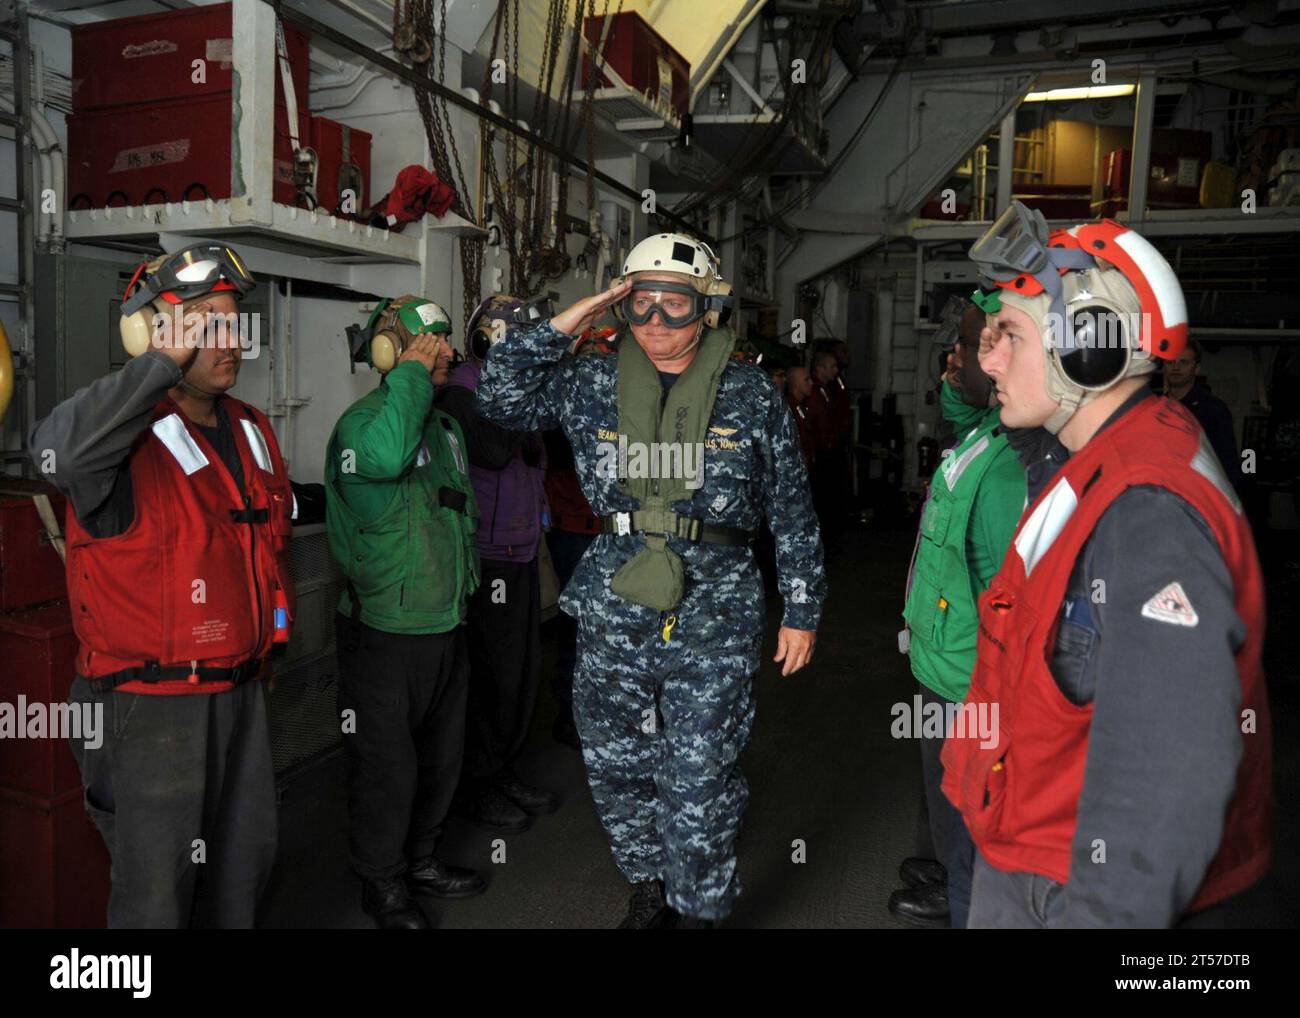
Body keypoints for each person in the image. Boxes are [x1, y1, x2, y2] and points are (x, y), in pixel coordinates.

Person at [476, 232, 825, 928]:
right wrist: (572, 317)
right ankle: (651, 884)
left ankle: (698, 909)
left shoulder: (752, 392)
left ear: (708, 309)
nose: (657, 323)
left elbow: (791, 507)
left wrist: (803, 609)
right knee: (616, 761)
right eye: (641, 305)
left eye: (676, 305)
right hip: (615, 596)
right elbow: (500, 399)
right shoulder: (590, 379)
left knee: (697, 771)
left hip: (716, 603)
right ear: (621, 306)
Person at [942, 202, 1273, 928]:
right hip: (1031, 848)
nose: (988, 357)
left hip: (1068, 886)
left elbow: (1165, 778)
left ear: (1087, 350)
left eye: (1009, 336)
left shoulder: (1150, 508)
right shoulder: (1095, 457)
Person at [29, 243, 292, 928]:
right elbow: (55, 451)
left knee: (242, 874)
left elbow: (261, 551)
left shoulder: (250, 428)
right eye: (203, 323)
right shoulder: (117, 441)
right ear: (151, 334)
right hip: (152, 711)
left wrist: (268, 649)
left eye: (233, 321)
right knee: (157, 897)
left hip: (240, 696)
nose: (228, 339)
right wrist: (155, 369)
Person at [325, 294, 485, 930]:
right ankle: (382, 882)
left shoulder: (443, 429)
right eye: (429, 342)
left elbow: (458, 512)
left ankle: (420, 859)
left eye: (444, 340)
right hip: (385, 631)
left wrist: (467, 588)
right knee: (388, 766)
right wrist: (411, 374)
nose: (445, 350)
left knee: (443, 756)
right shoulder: (363, 427)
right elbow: (390, 458)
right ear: (392, 353)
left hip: (445, 622)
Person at [889, 300, 1026, 929]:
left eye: (967, 347)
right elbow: (959, 407)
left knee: (965, 804)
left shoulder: (1006, 475)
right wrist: (956, 377)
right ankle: (949, 868)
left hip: (968, 679)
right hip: (940, 661)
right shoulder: (984, 432)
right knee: (941, 795)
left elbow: (1012, 601)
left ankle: (961, 892)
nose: (956, 356)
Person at [436, 294, 559, 832]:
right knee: (490, 677)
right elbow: (489, 451)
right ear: (488, 341)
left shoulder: (508, 389)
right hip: (488, 558)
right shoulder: (462, 393)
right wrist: (521, 390)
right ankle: (477, 785)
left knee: (521, 673)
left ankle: (500, 769)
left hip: (522, 548)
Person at [543, 326, 619, 751]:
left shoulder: (623, 401)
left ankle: (607, 713)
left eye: (607, 353)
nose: (600, 362)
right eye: (593, 353)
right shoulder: (565, 404)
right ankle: (571, 716)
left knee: (615, 631)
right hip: (576, 533)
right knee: (578, 630)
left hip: (614, 533)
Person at [1162, 339, 1241, 486]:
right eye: (1170, 362)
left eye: (1184, 362)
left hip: (1199, 494)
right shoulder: (1155, 408)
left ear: (1196, 368)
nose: (1176, 367)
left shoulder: (1213, 410)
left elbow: (1228, 463)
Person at [786, 365, 817, 466]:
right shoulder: (789, 408)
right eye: (806, 380)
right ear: (796, 384)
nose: (811, 383)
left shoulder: (802, 405)